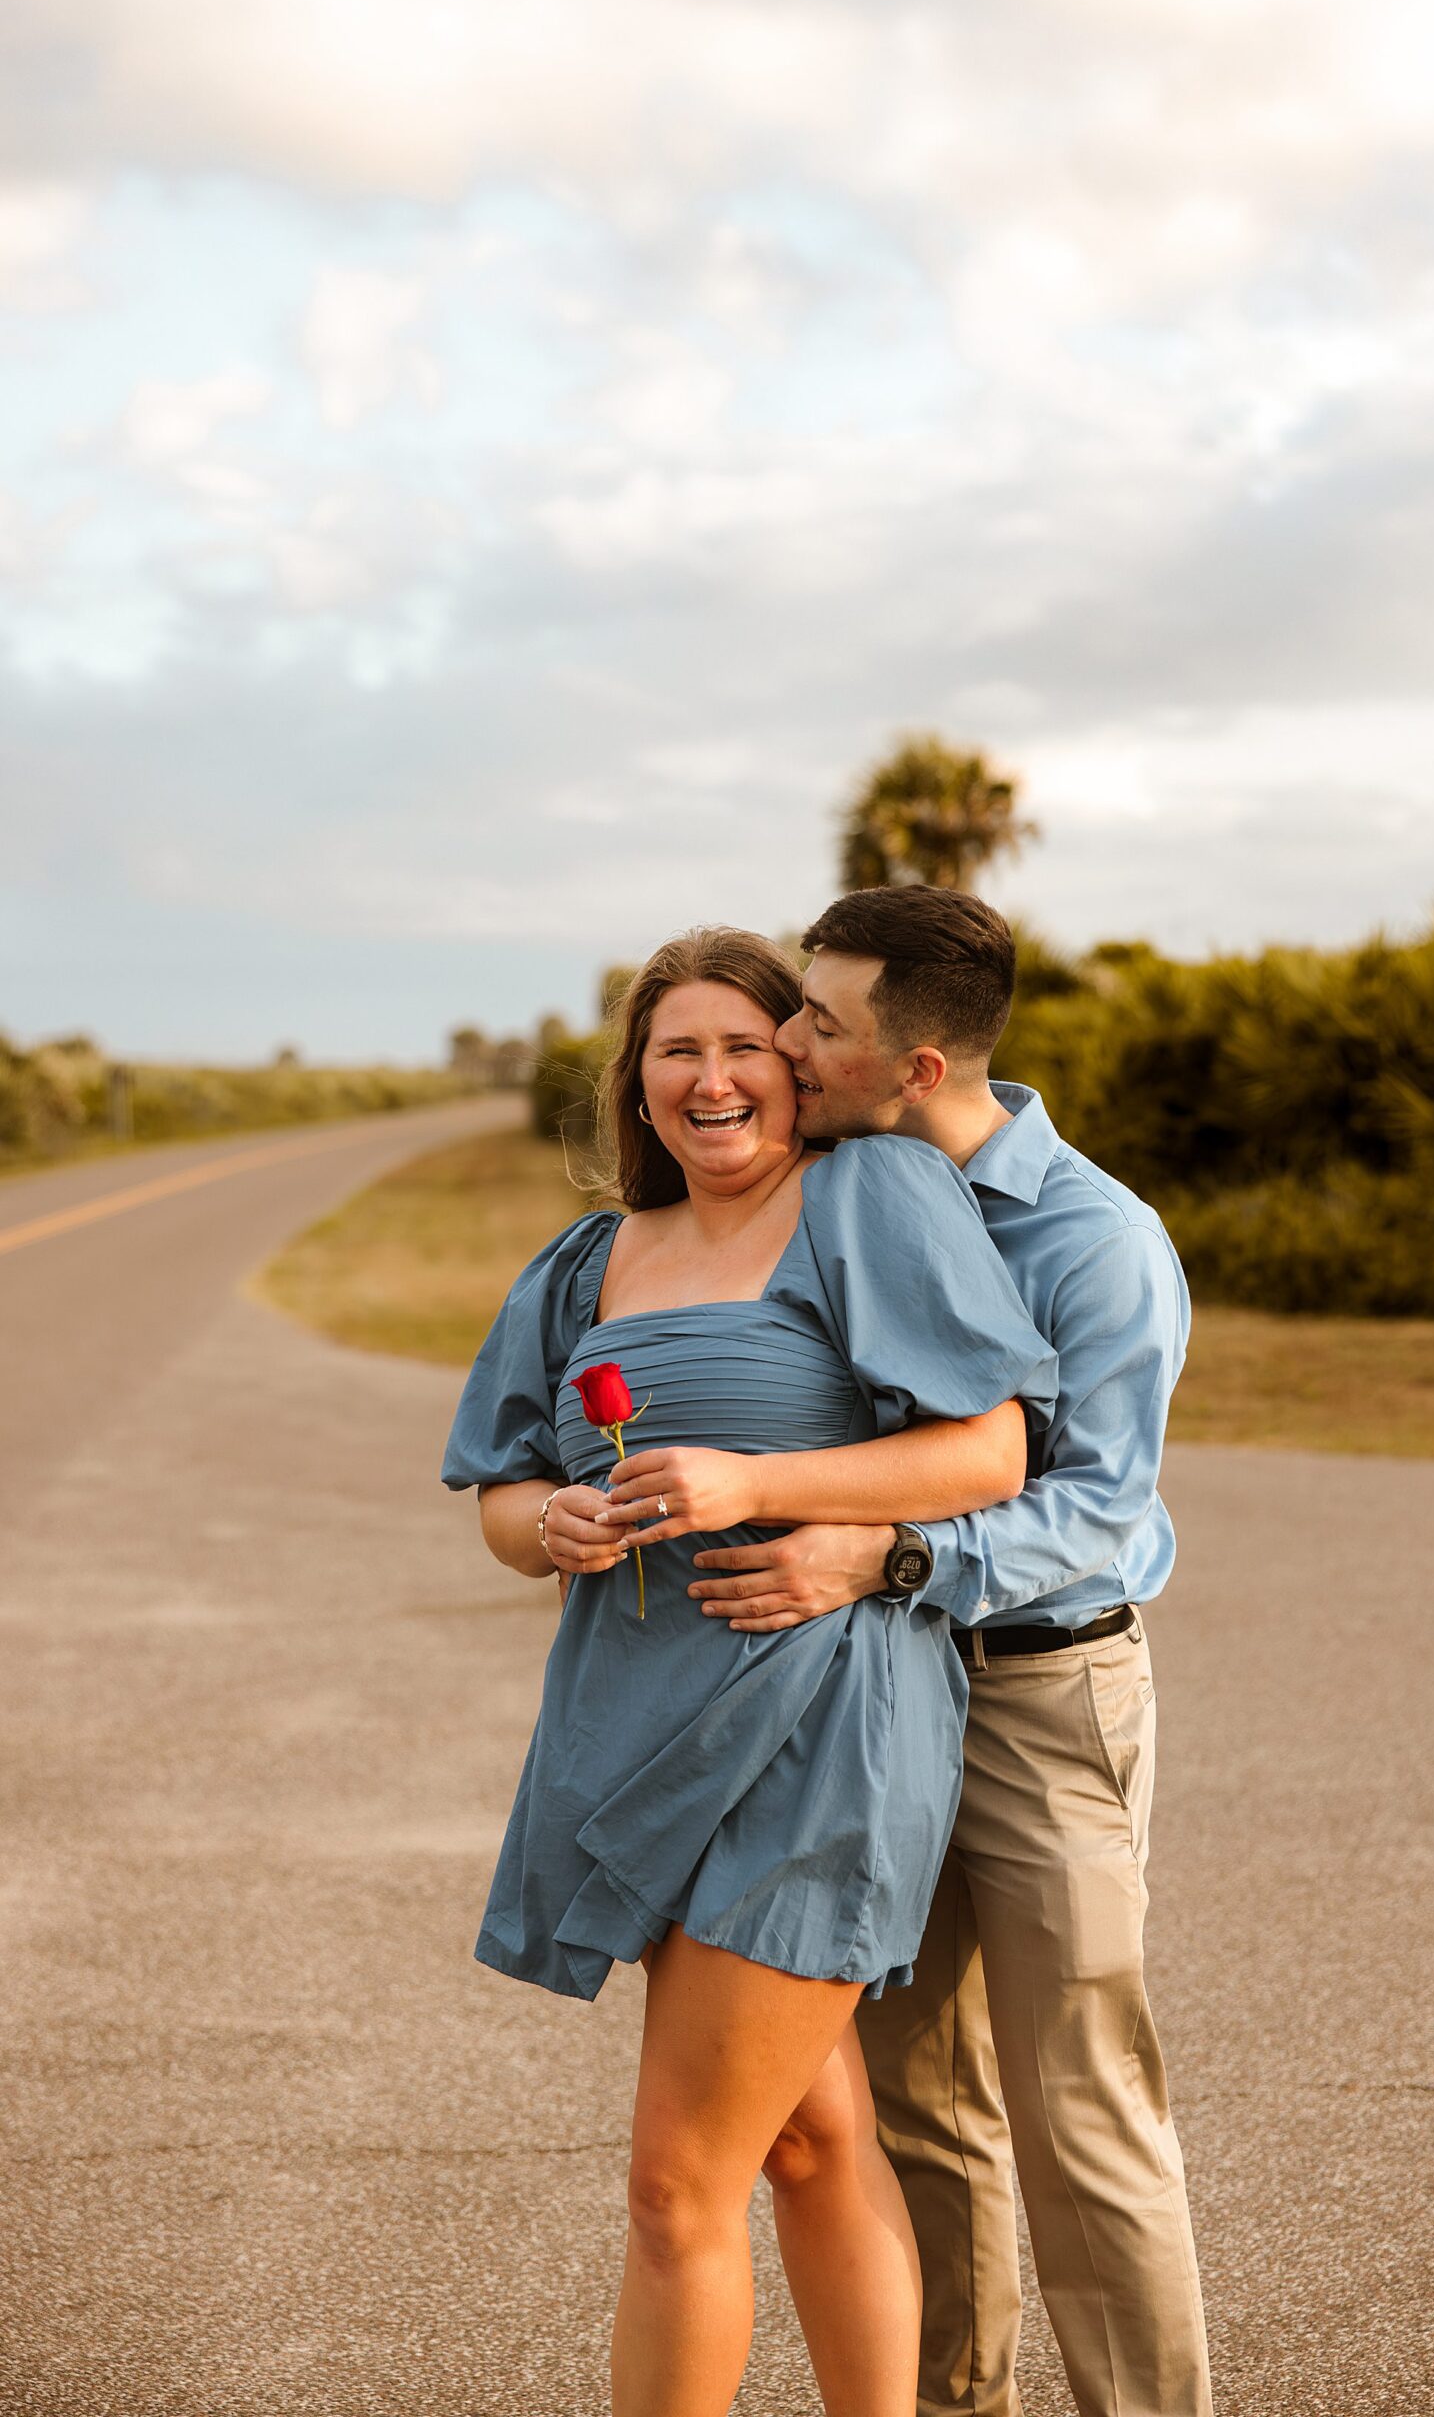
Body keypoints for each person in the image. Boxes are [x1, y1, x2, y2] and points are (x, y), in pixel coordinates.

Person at [440, 925, 1057, 2417]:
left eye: (744, 1048)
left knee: (676, 2184)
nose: (713, 1080)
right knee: (805, 2141)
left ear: (795, 1068)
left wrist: (752, 1486)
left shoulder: (869, 1195)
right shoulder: (589, 1259)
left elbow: (992, 1450)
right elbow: (501, 1502)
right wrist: (560, 1521)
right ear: (636, 1088)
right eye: (677, 1053)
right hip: (641, 1727)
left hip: (821, 1723)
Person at [633, 886, 1214, 2417]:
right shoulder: (840, 1189)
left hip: (1038, 1689)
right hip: (872, 1697)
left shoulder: (1098, 1240)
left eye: (822, 1020)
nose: (789, 1040)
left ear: (922, 1060)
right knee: (918, 2110)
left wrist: (891, 1550)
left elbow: (1093, 1511)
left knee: (1079, 2110)